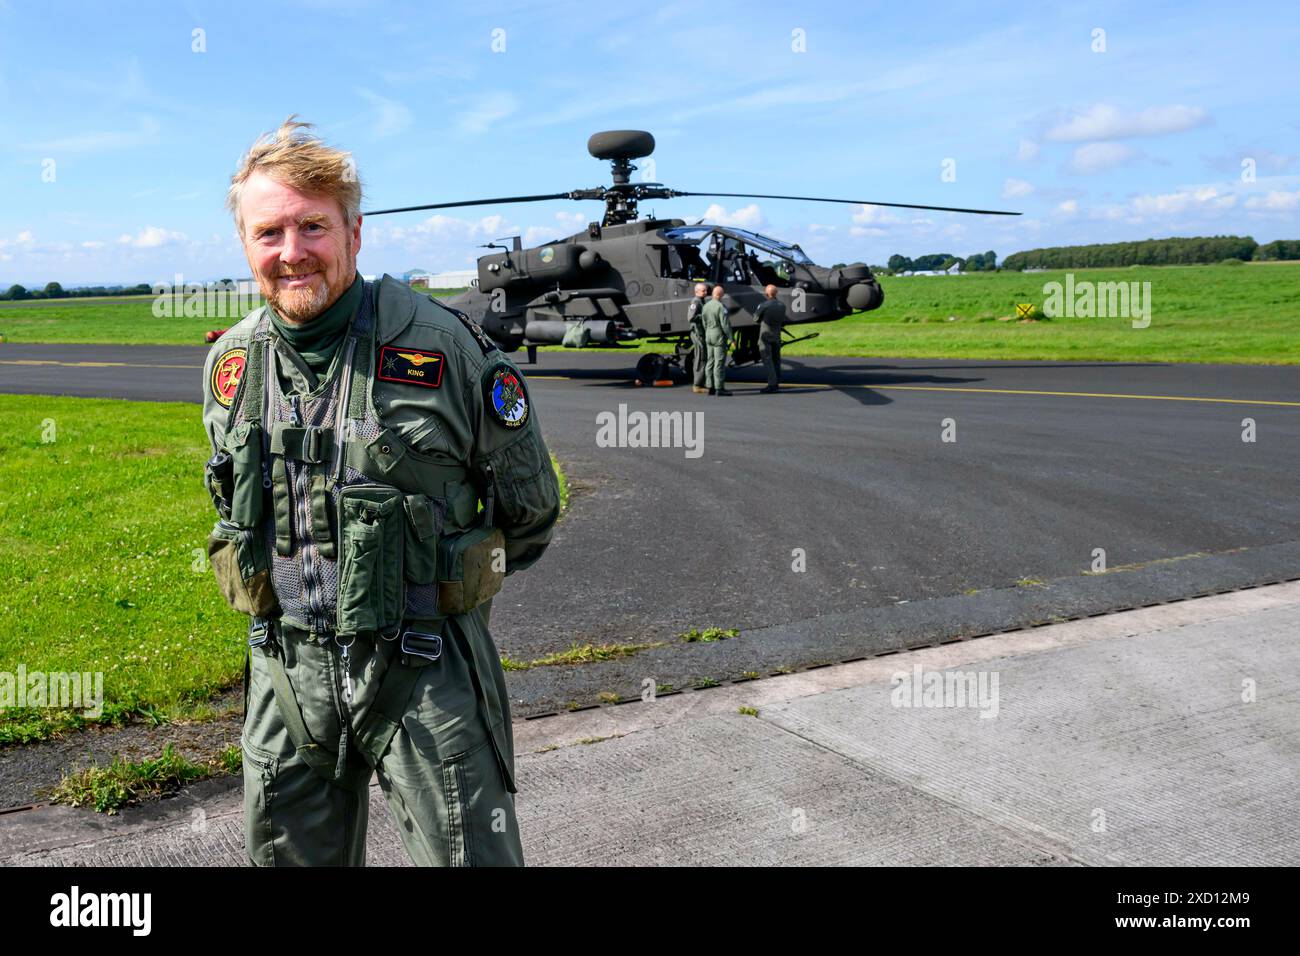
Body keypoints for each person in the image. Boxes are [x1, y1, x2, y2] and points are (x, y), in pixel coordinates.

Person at [201, 117, 560, 867]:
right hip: (284, 669)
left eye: (313, 227)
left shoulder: (443, 346)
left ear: (354, 234)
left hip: (424, 669)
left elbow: (529, 513)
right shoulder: (230, 365)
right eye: (269, 232)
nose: (291, 251)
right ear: (245, 244)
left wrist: (450, 589)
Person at [754, 284, 787, 393]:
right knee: (776, 360)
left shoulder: (764, 305)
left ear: (767, 294)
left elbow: (755, 318)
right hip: (777, 335)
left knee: (768, 360)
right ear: (776, 293)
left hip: (765, 336)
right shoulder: (782, 305)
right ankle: (777, 382)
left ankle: (772, 384)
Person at [701, 285, 732, 396]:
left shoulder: (706, 306)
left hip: (708, 334)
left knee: (710, 361)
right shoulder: (720, 307)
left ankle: (710, 386)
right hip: (718, 335)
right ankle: (719, 387)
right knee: (719, 362)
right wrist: (731, 338)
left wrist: (708, 331)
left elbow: (703, 322)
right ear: (719, 295)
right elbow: (725, 325)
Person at [686, 282, 708, 394]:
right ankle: (697, 385)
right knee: (700, 358)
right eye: (703, 290)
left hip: (701, 333)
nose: (705, 292)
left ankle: (701, 383)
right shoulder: (696, 301)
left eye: (706, 290)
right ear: (696, 291)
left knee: (702, 357)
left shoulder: (702, 301)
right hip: (697, 334)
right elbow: (691, 317)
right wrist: (704, 316)